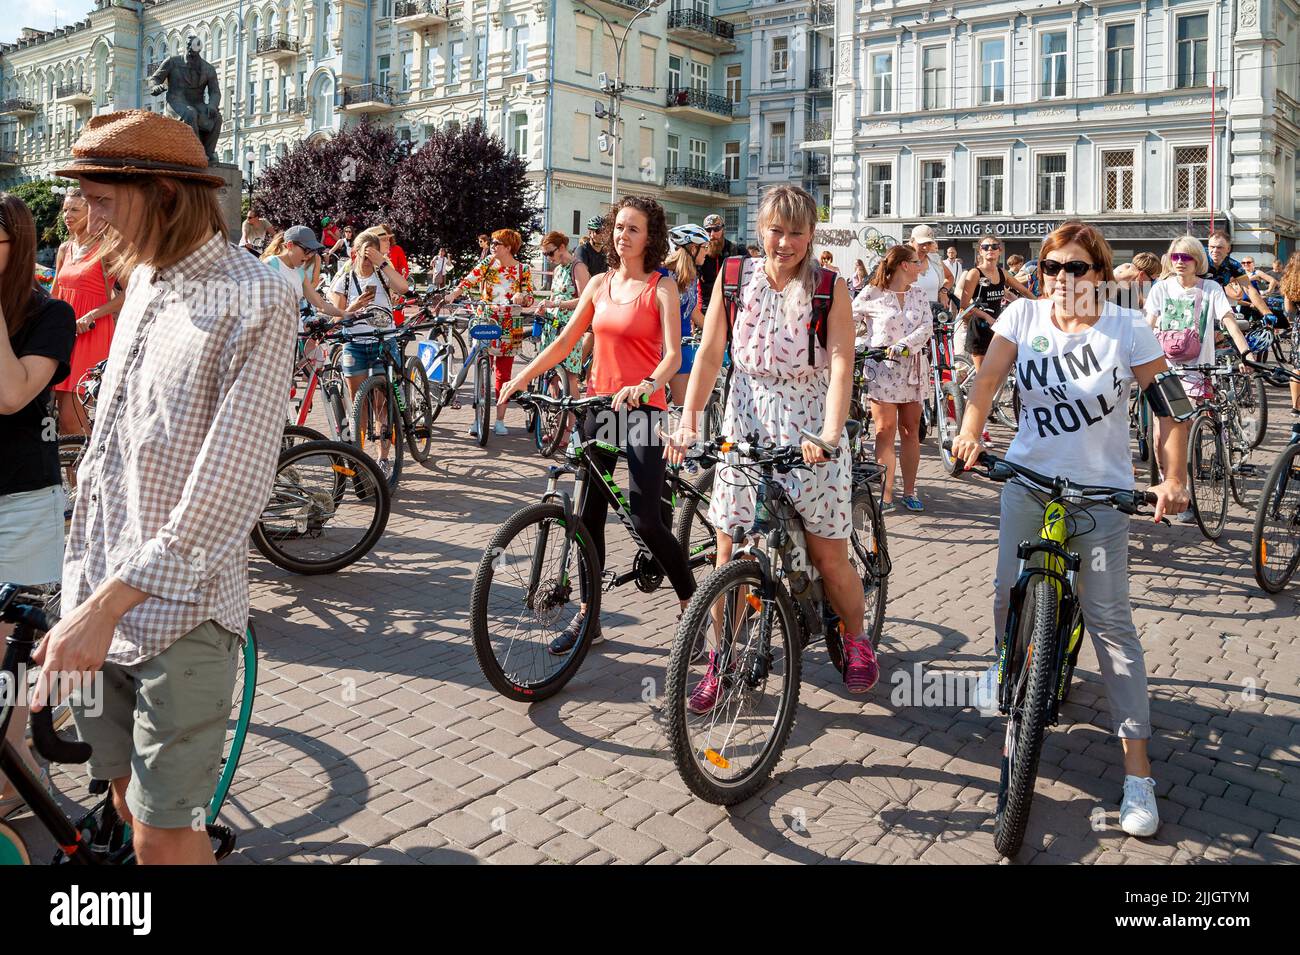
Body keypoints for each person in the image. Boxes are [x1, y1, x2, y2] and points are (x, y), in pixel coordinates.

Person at [45, 110, 297, 864]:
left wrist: (100, 606)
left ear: (159, 192)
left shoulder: (259, 295)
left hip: (180, 617)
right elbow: (113, 445)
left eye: (101, 198)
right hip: (99, 594)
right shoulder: (144, 277)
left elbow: (227, 491)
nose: (85, 215)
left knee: (162, 835)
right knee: (121, 796)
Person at [951, 220, 1191, 840]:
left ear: (1099, 275)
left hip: (1101, 498)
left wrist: (1171, 477)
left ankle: (1137, 774)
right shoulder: (1022, 319)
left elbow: (1171, 408)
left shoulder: (1126, 327)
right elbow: (987, 381)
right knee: (1007, 587)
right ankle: (1007, 663)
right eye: (1053, 266)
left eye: (1077, 268)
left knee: (1111, 625)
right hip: (1028, 481)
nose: (1062, 278)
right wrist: (972, 428)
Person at [667, 184, 880, 698]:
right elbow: (712, 352)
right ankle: (720, 659)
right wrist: (690, 420)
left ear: (811, 236)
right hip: (745, 421)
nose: (783, 242)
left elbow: (840, 363)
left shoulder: (830, 288)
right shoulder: (735, 278)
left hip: (810, 427)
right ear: (761, 229)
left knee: (828, 557)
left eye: (796, 233)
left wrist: (830, 433)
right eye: (774, 230)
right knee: (729, 551)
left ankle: (856, 638)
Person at [498, 196, 690, 653]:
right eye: (619, 227)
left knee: (646, 518)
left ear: (650, 237)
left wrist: (646, 387)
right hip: (600, 407)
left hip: (643, 408)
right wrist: (521, 377)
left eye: (633, 229)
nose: (622, 235)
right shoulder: (600, 284)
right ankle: (590, 617)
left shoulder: (660, 287)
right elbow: (566, 340)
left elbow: (672, 356)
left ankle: (692, 608)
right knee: (588, 518)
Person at [0, 193, 77, 819]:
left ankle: (22, 787)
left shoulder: (50, 314)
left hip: (20, 506)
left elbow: (10, 393)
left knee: (6, 675)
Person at [1145, 235, 1252, 516]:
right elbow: (1148, 325)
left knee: (1183, 434)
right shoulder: (1161, 288)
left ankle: (1183, 492)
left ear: (1197, 261)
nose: (1179, 262)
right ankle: (1171, 486)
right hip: (1164, 371)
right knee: (1159, 438)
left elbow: (1228, 320)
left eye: (1186, 257)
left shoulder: (1211, 289)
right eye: (1175, 257)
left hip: (1197, 371)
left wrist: (1245, 352)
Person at [852, 244, 931, 513]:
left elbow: (926, 327)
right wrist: (861, 343)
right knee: (884, 431)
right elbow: (849, 320)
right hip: (882, 370)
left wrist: (905, 344)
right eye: (917, 262)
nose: (921, 267)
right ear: (904, 265)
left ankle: (910, 490)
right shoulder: (873, 293)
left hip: (912, 370)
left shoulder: (919, 295)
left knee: (910, 430)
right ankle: (886, 494)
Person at [446, 228, 535, 436]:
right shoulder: (487, 264)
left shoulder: (523, 269)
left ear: (508, 247)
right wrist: (454, 294)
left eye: (496, 243)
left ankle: (500, 419)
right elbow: (469, 280)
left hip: (510, 322)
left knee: (504, 373)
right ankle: (479, 418)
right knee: (481, 367)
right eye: (492, 243)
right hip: (486, 318)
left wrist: (522, 297)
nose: (492, 246)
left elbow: (530, 297)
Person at [51, 188, 124, 436]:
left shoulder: (107, 248)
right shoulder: (64, 249)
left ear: (90, 212)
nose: (67, 215)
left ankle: (89, 473)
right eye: (65, 210)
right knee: (62, 422)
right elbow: (54, 295)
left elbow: (132, 291)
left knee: (74, 420)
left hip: (93, 334)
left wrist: (92, 315)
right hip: (65, 335)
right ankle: (73, 473)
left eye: (74, 210)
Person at [956, 235, 1035, 439]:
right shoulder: (975, 273)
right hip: (980, 328)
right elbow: (965, 305)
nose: (990, 250)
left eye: (994, 246)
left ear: (1000, 250)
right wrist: (987, 317)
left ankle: (990, 408)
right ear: (980, 251)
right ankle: (979, 430)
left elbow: (1021, 290)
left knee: (1000, 375)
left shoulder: (1002, 272)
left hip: (1000, 328)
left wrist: (1039, 304)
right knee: (985, 379)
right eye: (986, 247)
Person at [264, 225, 363, 323]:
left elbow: (320, 303)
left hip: (294, 331)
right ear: (290, 245)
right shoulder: (271, 264)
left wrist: (345, 313)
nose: (310, 256)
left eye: (313, 251)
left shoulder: (300, 273)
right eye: (307, 250)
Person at [537, 230, 590, 400]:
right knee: (551, 374)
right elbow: (554, 296)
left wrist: (556, 304)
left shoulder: (578, 267)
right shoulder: (558, 270)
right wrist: (544, 307)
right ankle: (557, 418)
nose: (548, 258)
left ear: (562, 247)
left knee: (570, 376)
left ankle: (572, 425)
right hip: (552, 327)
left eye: (550, 253)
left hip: (570, 328)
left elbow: (585, 300)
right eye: (544, 254)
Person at [661, 223, 709, 405]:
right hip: (659, 348)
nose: (707, 252)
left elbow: (693, 312)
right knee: (650, 411)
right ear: (692, 248)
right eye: (704, 247)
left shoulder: (691, 276)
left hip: (684, 346)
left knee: (686, 409)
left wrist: (718, 333)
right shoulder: (661, 274)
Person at [1204, 229, 1271, 317]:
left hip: (1217, 304)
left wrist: (1266, 312)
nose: (1215, 250)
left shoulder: (1234, 265)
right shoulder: (1200, 258)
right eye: (1212, 247)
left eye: (1219, 247)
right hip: (1194, 301)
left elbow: (1249, 289)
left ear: (1228, 249)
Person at [698, 212, 746, 313]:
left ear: (723, 229)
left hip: (731, 305)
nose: (712, 234)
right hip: (706, 307)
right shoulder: (699, 252)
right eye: (708, 230)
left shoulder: (736, 250)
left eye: (716, 229)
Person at [908, 224, 955, 313]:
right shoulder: (902, 261)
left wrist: (943, 291)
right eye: (921, 243)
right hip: (908, 317)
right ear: (912, 241)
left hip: (933, 316)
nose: (925, 247)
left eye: (929, 243)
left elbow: (950, 277)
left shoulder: (935, 259)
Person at [375, 224, 410, 323]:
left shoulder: (397, 249)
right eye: (383, 239)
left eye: (387, 238)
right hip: (381, 295)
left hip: (395, 289)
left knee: (396, 321)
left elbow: (404, 269)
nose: (386, 242)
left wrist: (398, 286)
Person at [1280, 252, 1300, 414]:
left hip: (1299, 327)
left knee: (1297, 368)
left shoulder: (1291, 281)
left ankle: (1296, 405)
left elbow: (1289, 309)